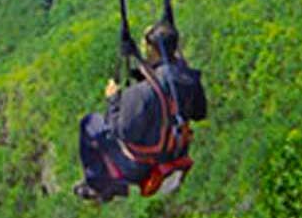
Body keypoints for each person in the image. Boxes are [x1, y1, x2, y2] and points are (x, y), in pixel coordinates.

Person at [75, 21, 208, 203]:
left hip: (141, 166)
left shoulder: (141, 93)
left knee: (90, 123)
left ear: (151, 49)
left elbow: (121, 132)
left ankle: (97, 184)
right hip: (175, 152)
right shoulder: (188, 78)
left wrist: (113, 100)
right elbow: (199, 113)